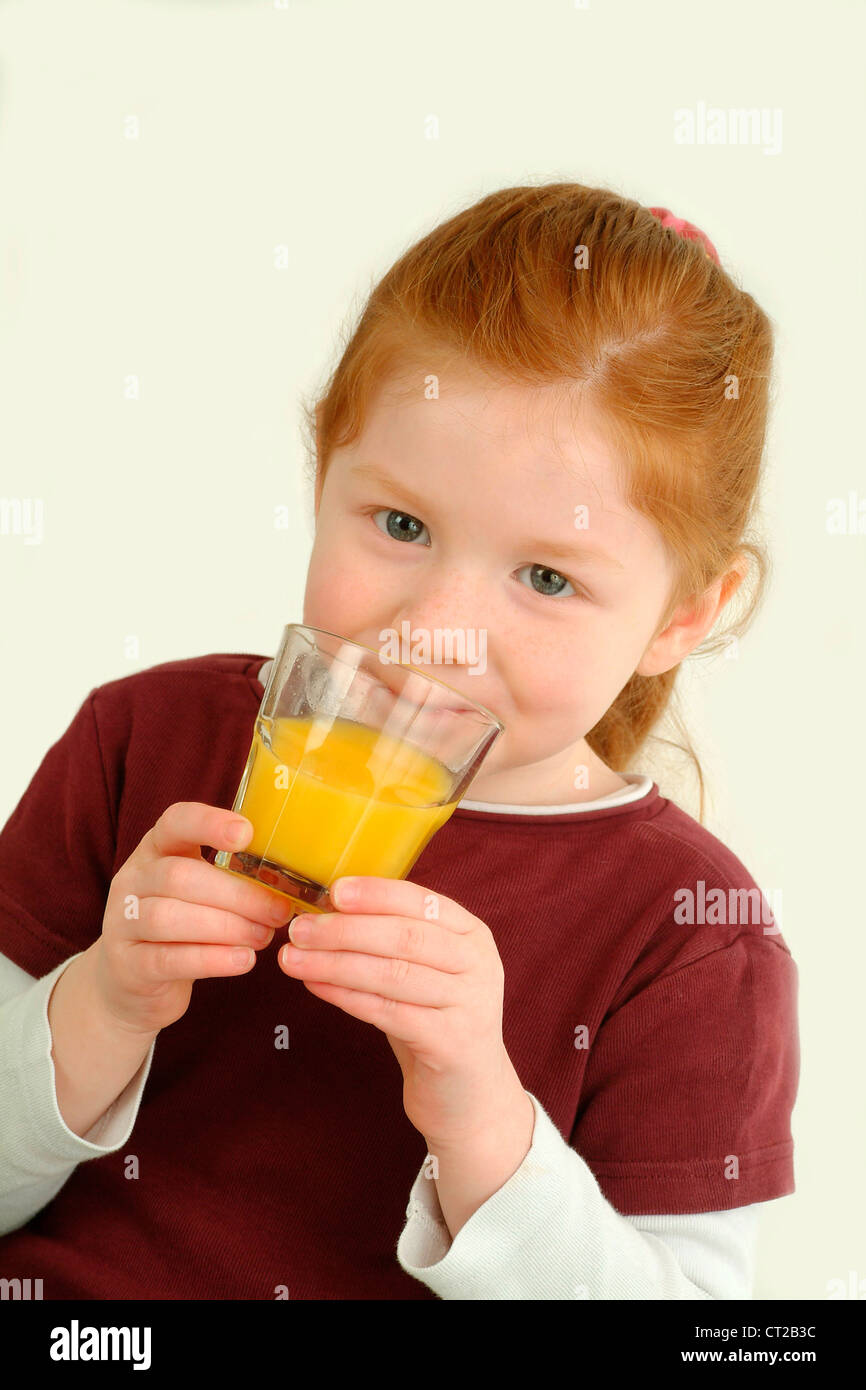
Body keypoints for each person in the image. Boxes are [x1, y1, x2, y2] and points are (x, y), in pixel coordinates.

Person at [0, 182, 798, 1300]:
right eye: (402, 525)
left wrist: (481, 1118)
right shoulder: (144, 738)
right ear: (322, 470)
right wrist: (97, 1007)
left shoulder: (685, 937)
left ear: (678, 618)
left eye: (545, 577)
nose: (434, 631)